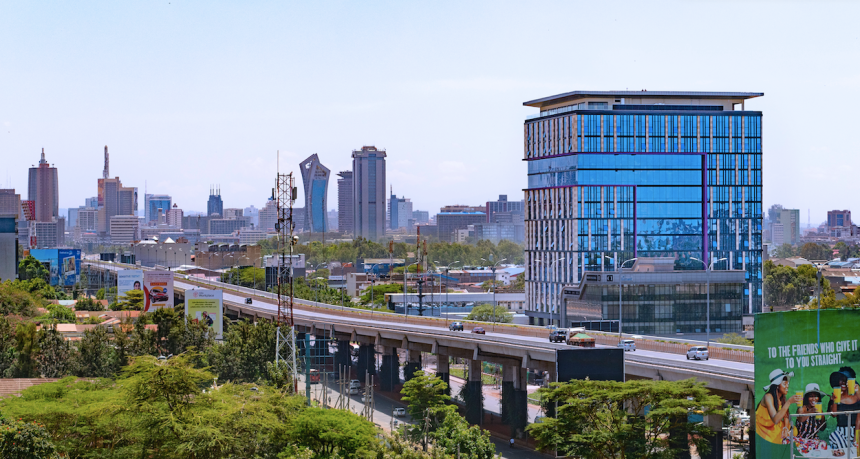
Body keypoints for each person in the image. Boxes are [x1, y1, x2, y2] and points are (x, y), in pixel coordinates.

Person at [756, 369, 801, 444]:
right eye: (785, 384)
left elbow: (786, 416)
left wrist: (786, 427)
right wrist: (789, 402)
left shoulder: (782, 397)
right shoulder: (768, 397)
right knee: (777, 439)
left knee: (794, 430)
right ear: (777, 385)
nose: (787, 386)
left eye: (788, 383)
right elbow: (775, 419)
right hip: (764, 428)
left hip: (774, 426)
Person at [828, 367, 860, 456]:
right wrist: (834, 400)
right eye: (840, 380)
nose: (842, 383)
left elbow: (859, 420)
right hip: (841, 432)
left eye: (845, 380)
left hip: (855, 430)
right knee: (833, 436)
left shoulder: (857, 397)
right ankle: (849, 452)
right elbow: (834, 415)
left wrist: (856, 439)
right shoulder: (837, 395)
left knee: (853, 445)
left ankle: (847, 450)